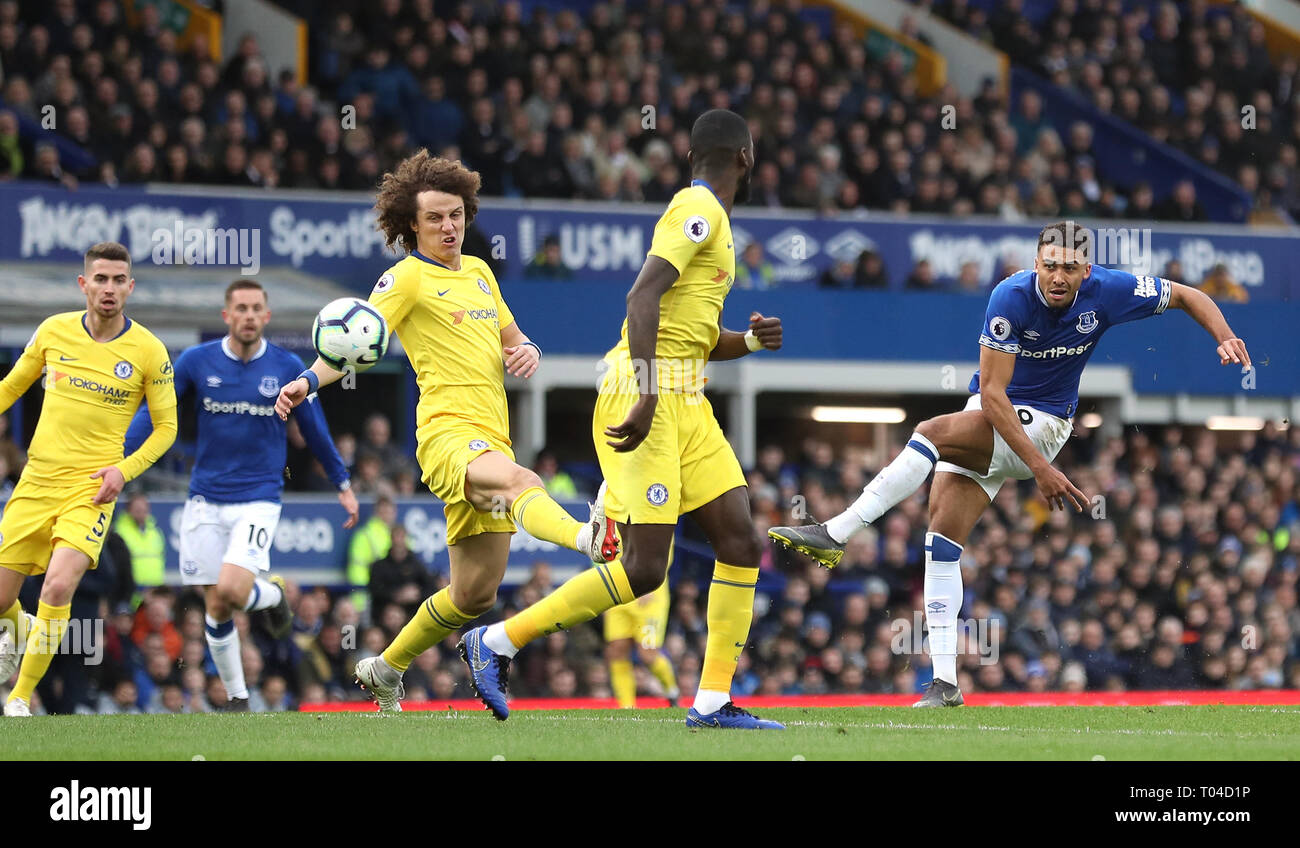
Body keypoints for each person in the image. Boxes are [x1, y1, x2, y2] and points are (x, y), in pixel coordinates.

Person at [769, 220, 1251, 707]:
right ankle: (945, 683)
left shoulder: (1111, 290)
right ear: (1036, 263)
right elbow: (992, 395)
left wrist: (1226, 336)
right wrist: (1040, 469)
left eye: (1069, 268)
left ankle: (836, 533)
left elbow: (1188, 295)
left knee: (930, 433)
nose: (1058, 276)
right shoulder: (1010, 297)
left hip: (1046, 424)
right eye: (1049, 265)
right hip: (996, 412)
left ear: (1086, 270)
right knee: (940, 543)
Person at [461, 109, 786, 730]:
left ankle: (712, 702)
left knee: (742, 541)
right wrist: (646, 392)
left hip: (687, 399)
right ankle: (497, 642)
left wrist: (747, 341)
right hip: (645, 394)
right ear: (744, 158)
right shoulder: (699, 209)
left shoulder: (713, 219)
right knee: (643, 568)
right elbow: (641, 296)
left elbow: (691, 335)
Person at [275, 149, 618, 712]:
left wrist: (528, 350)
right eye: (434, 218)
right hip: (446, 435)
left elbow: (514, 339)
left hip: (492, 437)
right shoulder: (406, 278)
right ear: (412, 224)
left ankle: (385, 669)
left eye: (455, 214)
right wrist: (307, 381)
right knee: (522, 482)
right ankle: (588, 537)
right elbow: (356, 339)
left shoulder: (480, 273)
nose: (448, 226)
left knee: (472, 596)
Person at [124, 279, 358, 711]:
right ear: (226, 315)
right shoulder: (196, 361)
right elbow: (155, 413)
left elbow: (314, 429)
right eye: (241, 308)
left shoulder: (288, 366)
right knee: (215, 604)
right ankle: (237, 698)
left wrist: (342, 483)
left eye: (255, 309)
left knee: (231, 590)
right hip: (205, 498)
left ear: (266, 316)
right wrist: (119, 458)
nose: (248, 316)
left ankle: (274, 596)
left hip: (258, 497)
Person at [0, 242, 177, 716]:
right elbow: (12, 386)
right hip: (37, 480)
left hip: (92, 487)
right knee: (1, 600)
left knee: (58, 587)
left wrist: (123, 470)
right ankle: (21, 631)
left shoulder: (149, 350)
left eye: (118, 280)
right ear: (84, 284)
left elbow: (167, 428)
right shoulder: (53, 331)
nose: (109, 288)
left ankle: (19, 698)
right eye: (100, 279)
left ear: (130, 287)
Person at [604, 539, 680, 708]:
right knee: (617, 650)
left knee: (647, 653)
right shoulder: (609, 520)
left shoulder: (658, 521)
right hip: (617, 591)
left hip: (648, 595)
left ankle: (671, 691)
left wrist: (649, 582)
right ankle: (627, 707)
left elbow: (662, 550)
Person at [347, 492, 396, 614]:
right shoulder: (364, 535)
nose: (387, 515)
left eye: (389, 511)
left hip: (395, 598)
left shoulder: (400, 535)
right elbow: (357, 570)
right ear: (376, 512)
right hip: (372, 598)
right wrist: (361, 600)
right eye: (383, 511)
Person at [113, 492, 165, 600]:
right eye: (137, 509)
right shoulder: (120, 532)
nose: (141, 512)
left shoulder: (155, 532)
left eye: (144, 509)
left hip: (154, 591)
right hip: (130, 592)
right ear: (128, 510)